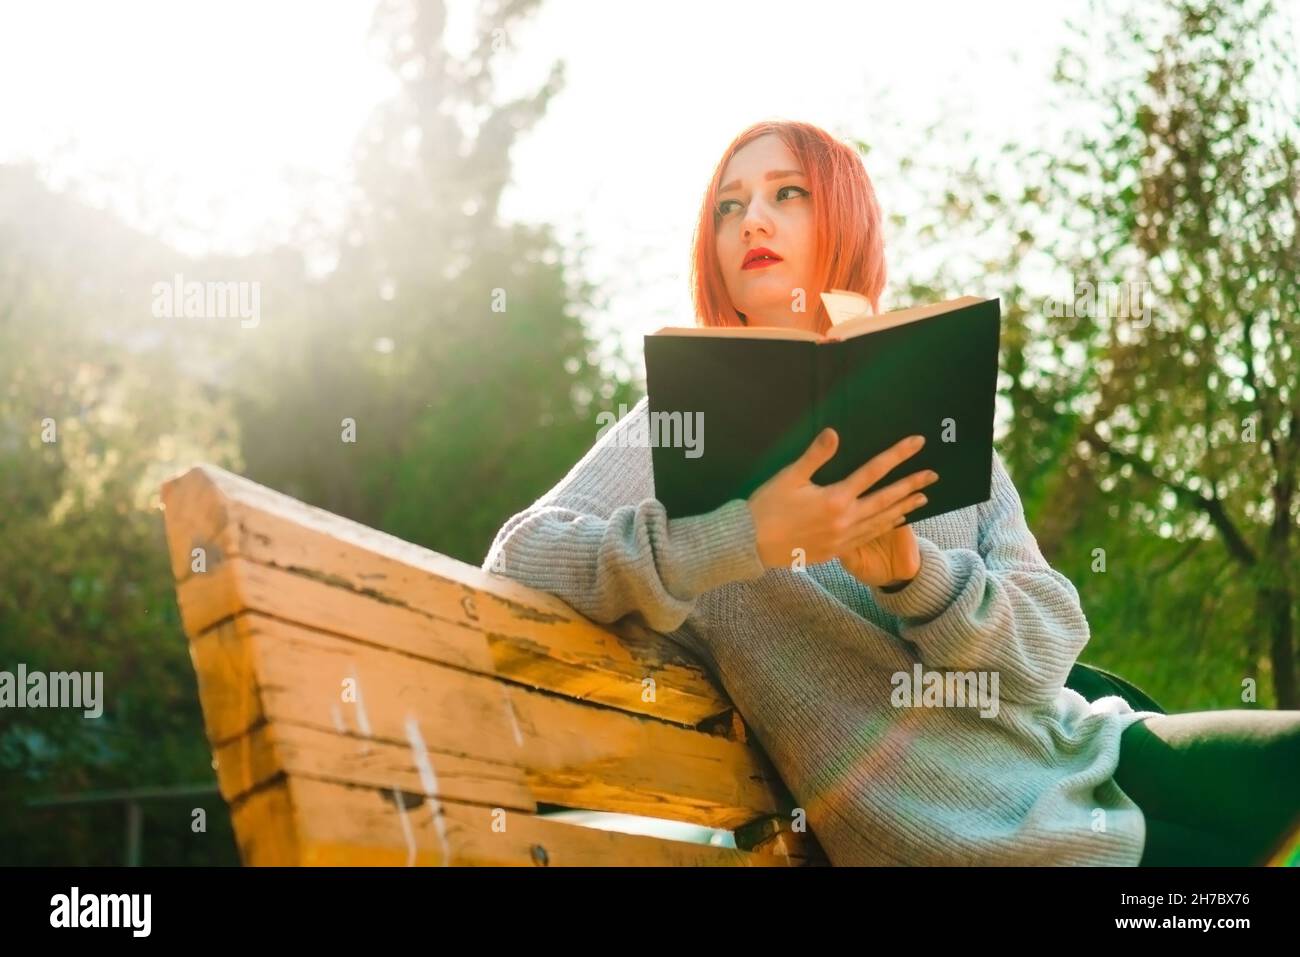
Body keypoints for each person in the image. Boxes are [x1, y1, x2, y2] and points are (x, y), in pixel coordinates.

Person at [483, 119, 1300, 866]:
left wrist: (916, 576)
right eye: (729, 207)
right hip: (988, 841)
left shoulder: (925, 394)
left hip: (1100, 749)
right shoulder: (678, 419)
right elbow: (521, 557)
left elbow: (1050, 641)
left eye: (785, 194)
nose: (752, 221)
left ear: (843, 218)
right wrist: (746, 536)